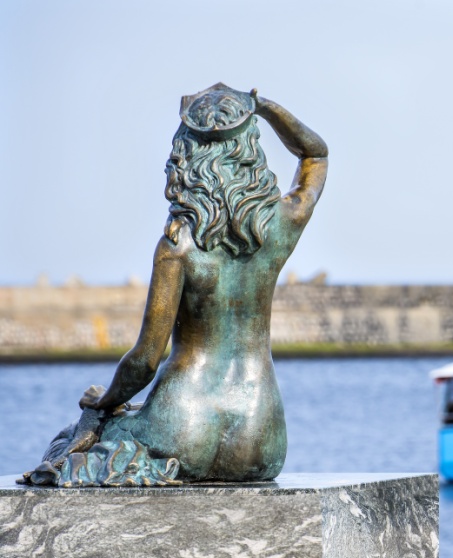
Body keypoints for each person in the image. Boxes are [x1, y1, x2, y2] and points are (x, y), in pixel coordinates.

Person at [20, 84, 328, 486]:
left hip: (181, 428)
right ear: (249, 150)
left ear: (188, 158)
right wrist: (265, 108)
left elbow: (145, 361)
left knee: (73, 440)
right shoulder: (281, 224)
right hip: (260, 438)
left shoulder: (177, 245)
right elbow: (315, 155)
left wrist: (106, 400)